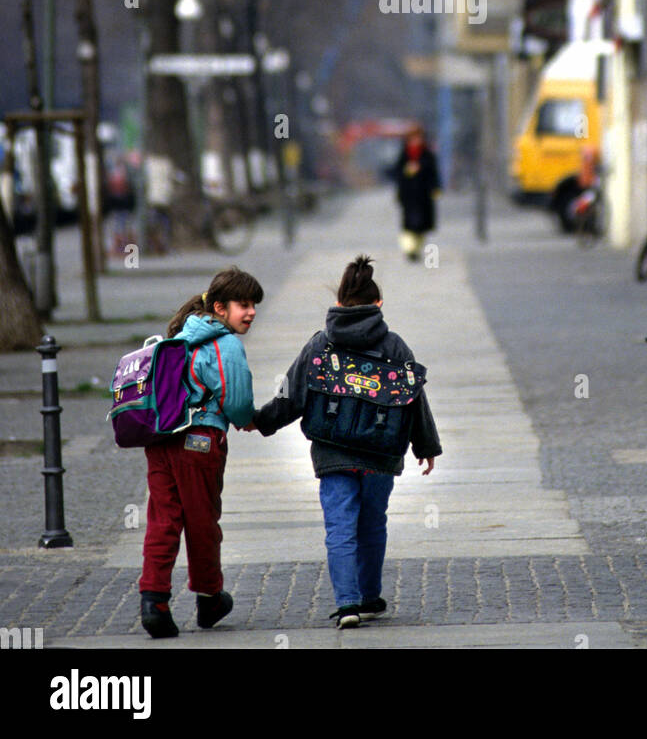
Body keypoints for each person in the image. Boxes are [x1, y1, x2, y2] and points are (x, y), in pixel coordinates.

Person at [250, 254, 441, 628]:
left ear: (338, 304)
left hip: (332, 450)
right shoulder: (395, 347)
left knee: (340, 527)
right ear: (379, 304)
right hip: (380, 453)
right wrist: (426, 447)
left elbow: (292, 396)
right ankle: (370, 597)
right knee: (372, 525)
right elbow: (414, 399)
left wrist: (260, 421)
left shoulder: (319, 345)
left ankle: (348, 604)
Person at [138, 265, 263, 639]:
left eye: (254, 304)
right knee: (202, 520)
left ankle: (154, 602)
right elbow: (238, 402)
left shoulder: (176, 336)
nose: (252, 312)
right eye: (244, 304)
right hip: (200, 442)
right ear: (220, 308)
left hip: (161, 441)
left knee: (163, 520)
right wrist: (248, 420)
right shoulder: (225, 345)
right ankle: (209, 598)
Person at [391, 124, 441, 261]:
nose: (415, 141)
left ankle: (417, 247)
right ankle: (409, 249)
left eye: (418, 137)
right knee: (409, 223)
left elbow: (433, 173)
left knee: (421, 224)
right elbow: (396, 173)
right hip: (408, 195)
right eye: (413, 138)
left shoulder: (428, 154)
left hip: (423, 195)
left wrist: (435, 188)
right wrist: (406, 171)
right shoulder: (404, 155)